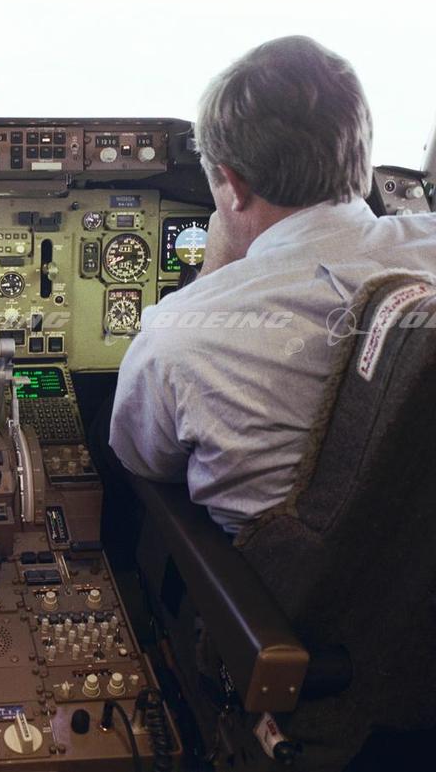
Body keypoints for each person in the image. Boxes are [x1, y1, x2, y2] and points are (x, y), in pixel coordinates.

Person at [109, 35, 436, 535]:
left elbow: (141, 461)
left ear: (233, 185)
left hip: (296, 595)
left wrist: (213, 269)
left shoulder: (180, 338)